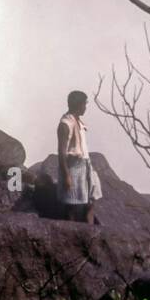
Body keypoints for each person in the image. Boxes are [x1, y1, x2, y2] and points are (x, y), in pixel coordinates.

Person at [57, 91, 102, 224]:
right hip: (73, 167)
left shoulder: (78, 121)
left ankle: (91, 232)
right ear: (79, 105)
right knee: (71, 205)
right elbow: (61, 151)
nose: (85, 107)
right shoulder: (65, 123)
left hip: (85, 164)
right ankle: (70, 234)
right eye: (84, 104)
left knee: (91, 201)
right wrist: (66, 175)